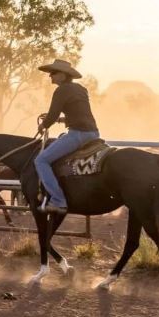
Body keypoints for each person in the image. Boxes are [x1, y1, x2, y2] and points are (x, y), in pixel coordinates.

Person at [34, 59, 99, 215]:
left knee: (41, 160)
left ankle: (58, 201)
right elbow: (80, 114)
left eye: (53, 73)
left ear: (63, 75)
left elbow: (51, 116)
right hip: (93, 133)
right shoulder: (81, 89)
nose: (50, 76)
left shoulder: (61, 90)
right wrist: (62, 120)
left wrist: (43, 125)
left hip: (78, 135)